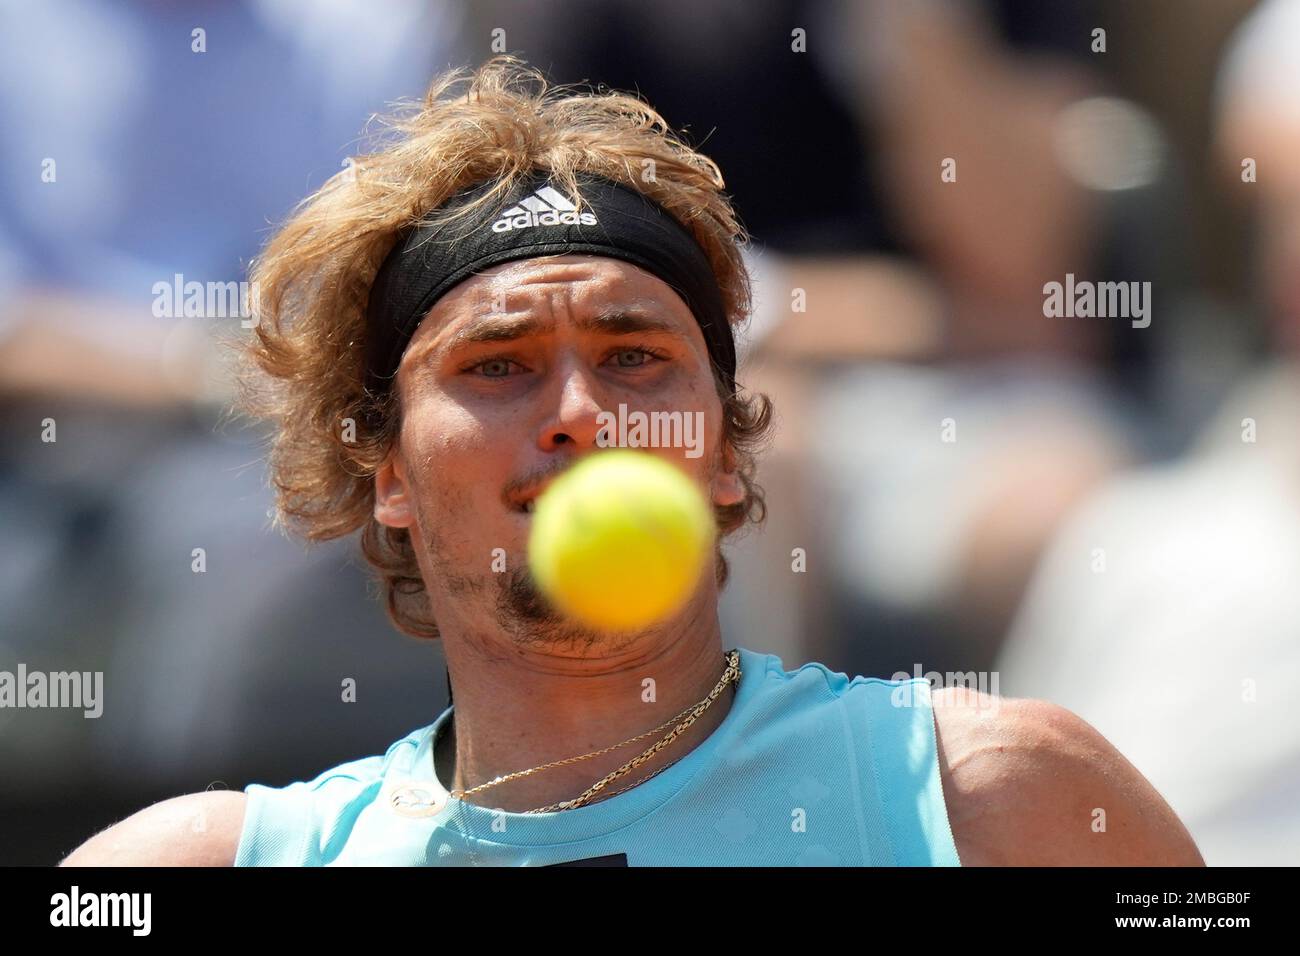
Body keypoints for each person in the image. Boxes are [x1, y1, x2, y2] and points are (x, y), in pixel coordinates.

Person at [60, 56, 1203, 867]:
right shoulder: (190, 866)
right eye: (498, 365)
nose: (582, 412)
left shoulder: (1000, 798)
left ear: (721, 447)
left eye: (636, 355)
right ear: (388, 471)